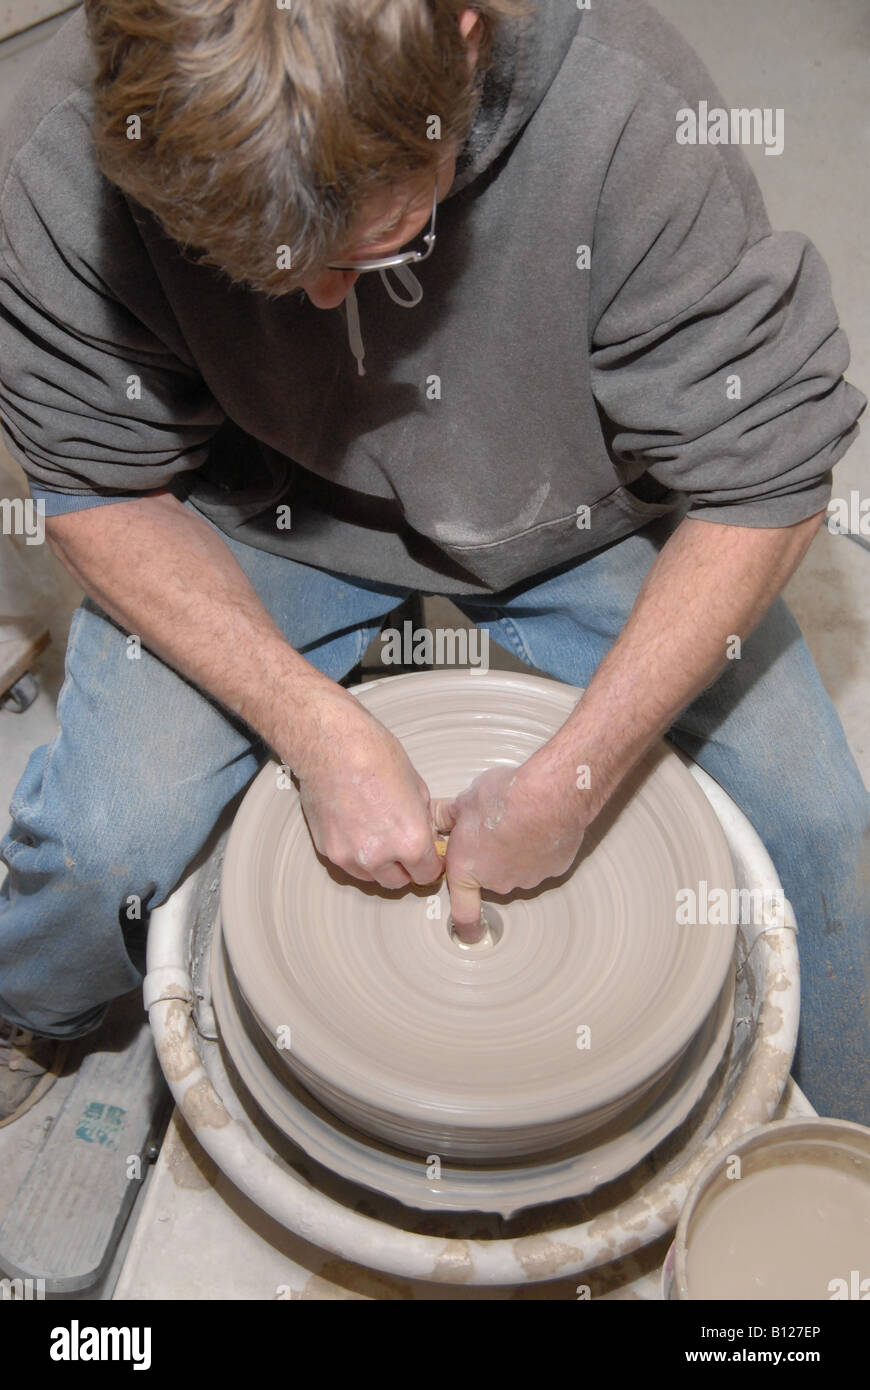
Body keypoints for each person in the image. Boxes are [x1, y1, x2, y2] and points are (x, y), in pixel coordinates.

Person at [0, 0, 866, 1128]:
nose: (321, 300)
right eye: (264, 268)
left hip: (579, 502)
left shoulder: (627, 105)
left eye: (369, 245)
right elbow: (102, 486)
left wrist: (578, 777)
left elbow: (766, 478)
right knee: (100, 836)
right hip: (264, 506)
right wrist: (314, 726)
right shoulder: (62, 148)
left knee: (824, 828)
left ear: (465, 40)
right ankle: (28, 1008)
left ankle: (849, 1146)